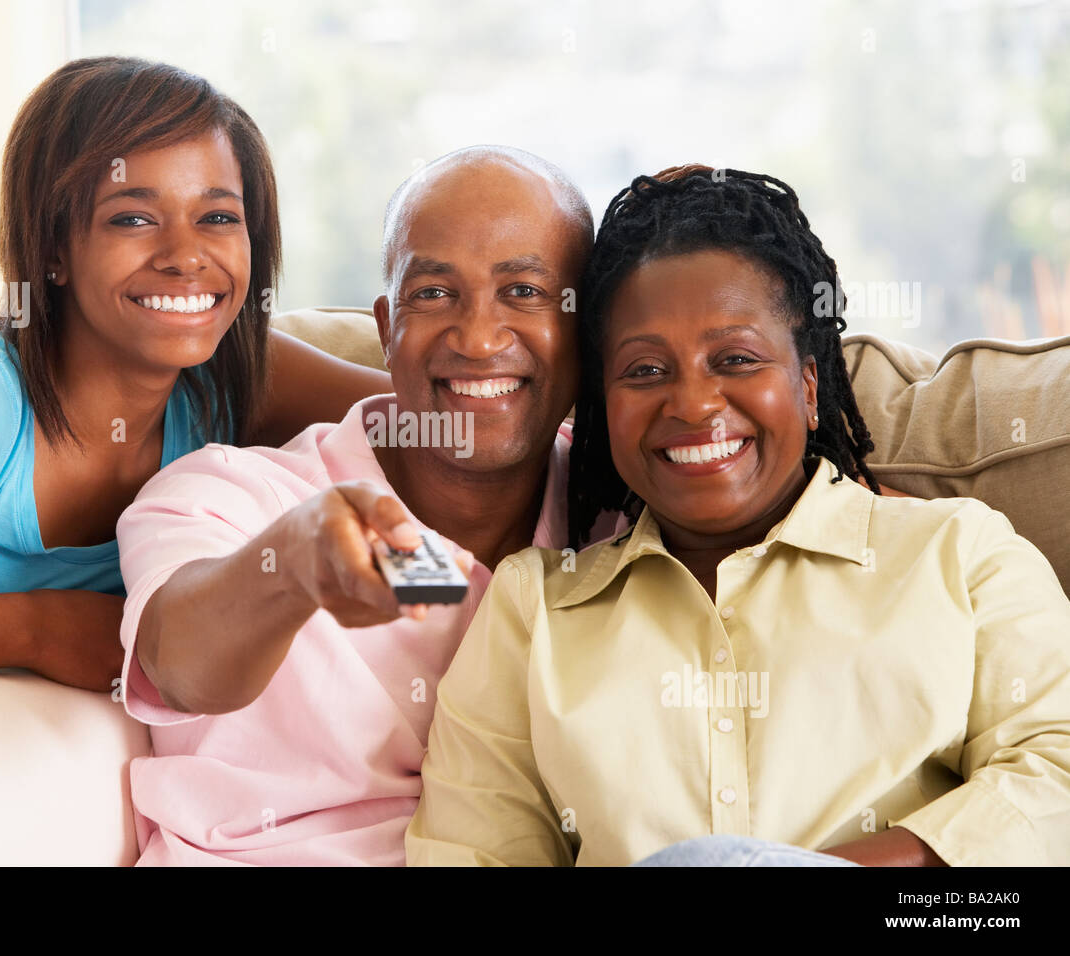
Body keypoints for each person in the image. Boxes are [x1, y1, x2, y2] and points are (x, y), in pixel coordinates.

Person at [407, 165, 1070, 866]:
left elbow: (1057, 768)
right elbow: (468, 851)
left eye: (735, 359)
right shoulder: (533, 607)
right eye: (645, 370)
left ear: (808, 386)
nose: (692, 405)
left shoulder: (959, 554)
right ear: (601, 408)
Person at [0, 57, 388, 691]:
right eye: (133, 218)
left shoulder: (234, 375)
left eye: (219, 217)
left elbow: (449, 429)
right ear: (55, 251)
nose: (185, 257)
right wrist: (30, 629)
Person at [115, 145, 601, 865]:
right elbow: (181, 665)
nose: (476, 338)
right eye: (433, 294)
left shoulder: (625, 521)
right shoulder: (229, 495)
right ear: (385, 327)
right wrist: (293, 568)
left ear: (588, 331)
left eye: (524, 292)